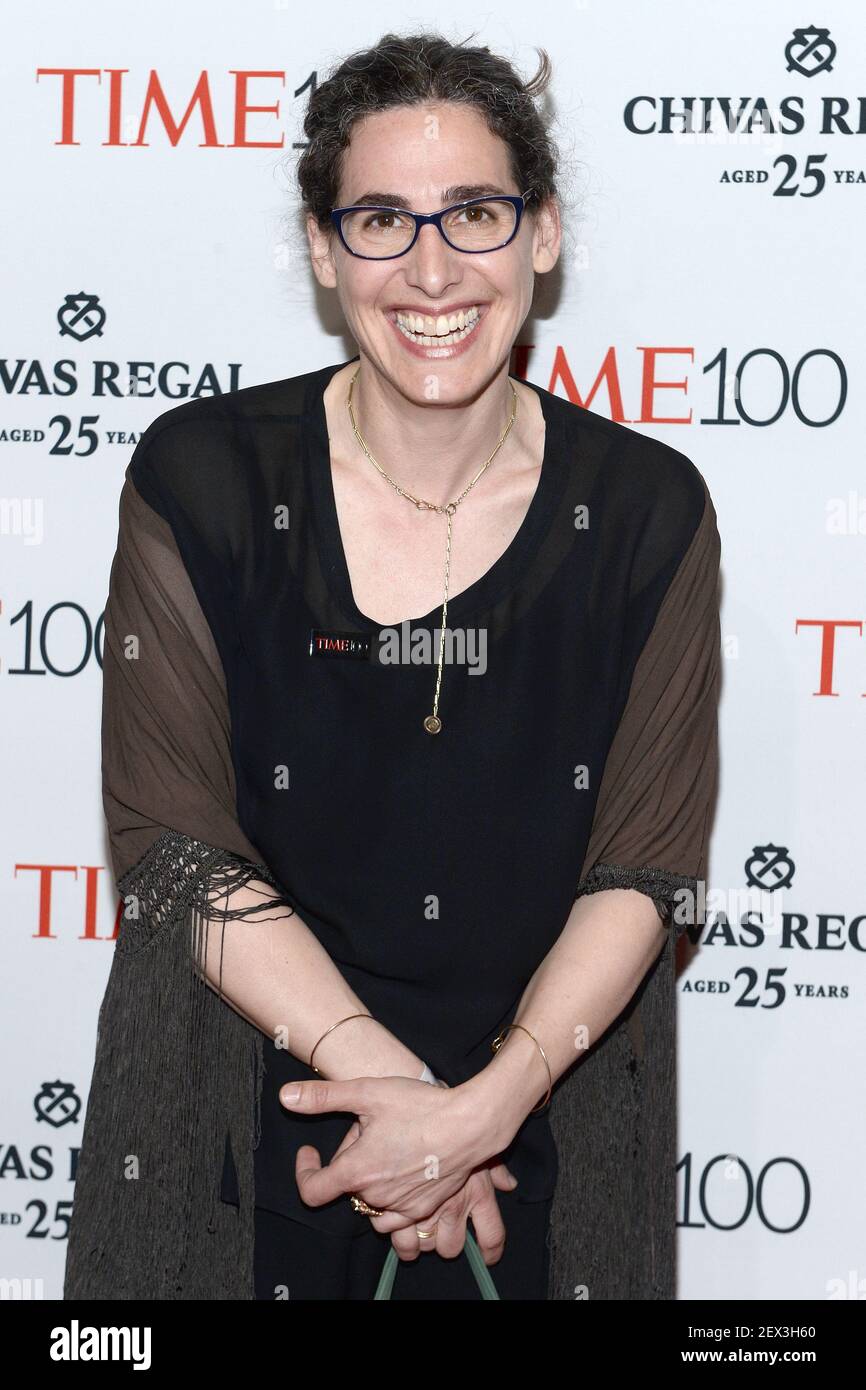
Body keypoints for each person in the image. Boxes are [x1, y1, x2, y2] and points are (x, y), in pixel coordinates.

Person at [63, 31, 721, 1302]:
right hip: (238, 1143)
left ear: (543, 233)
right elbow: (171, 842)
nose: (431, 268)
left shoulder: (646, 510)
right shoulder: (201, 477)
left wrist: (482, 1110)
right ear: (321, 249)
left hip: (547, 1135)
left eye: (474, 212)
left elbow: (644, 866)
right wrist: (409, 1110)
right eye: (380, 219)